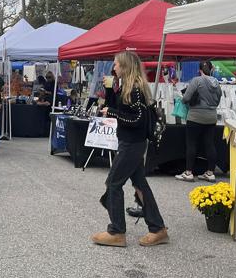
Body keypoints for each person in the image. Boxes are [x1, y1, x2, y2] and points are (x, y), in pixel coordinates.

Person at [92, 51, 168, 247]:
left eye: (116, 64)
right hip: (130, 142)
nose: (114, 67)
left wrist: (112, 112)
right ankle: (158, 228)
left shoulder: (135, 89)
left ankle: (117, 231)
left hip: (132, 144)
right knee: (140, 184)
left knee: (113, 183)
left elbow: (138, 120)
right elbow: (116, 108)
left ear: (125, 66)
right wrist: (109, 89)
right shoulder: (126, 86)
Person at [175, 60, 223, 182]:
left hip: (195, 116)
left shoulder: (196, 81)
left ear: (199, 70)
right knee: (210, 144)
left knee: (191, 144)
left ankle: (188, 172)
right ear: (211, 69)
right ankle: (210, 172)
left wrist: (182, 97)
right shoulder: (217, 83)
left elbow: (186, 98)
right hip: (211, 117)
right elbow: (218, 101)